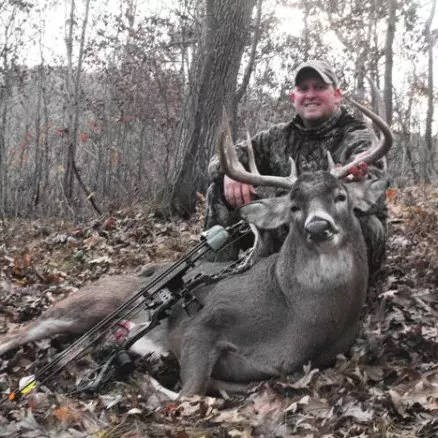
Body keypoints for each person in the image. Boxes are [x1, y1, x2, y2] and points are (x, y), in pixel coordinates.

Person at [204, 60, 387, 274]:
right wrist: (231, 173)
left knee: (364, 220)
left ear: (337, 95)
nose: (310, 95)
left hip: (332, 237)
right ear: (294, 97)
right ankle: (215, 276)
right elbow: (219, 160)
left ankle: (346, 294)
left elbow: (376, 191)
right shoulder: (277, 137)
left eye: (319, 87)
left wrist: (356, 180)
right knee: (218, 190)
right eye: (303, 89)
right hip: (291, 229)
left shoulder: (359, 137)